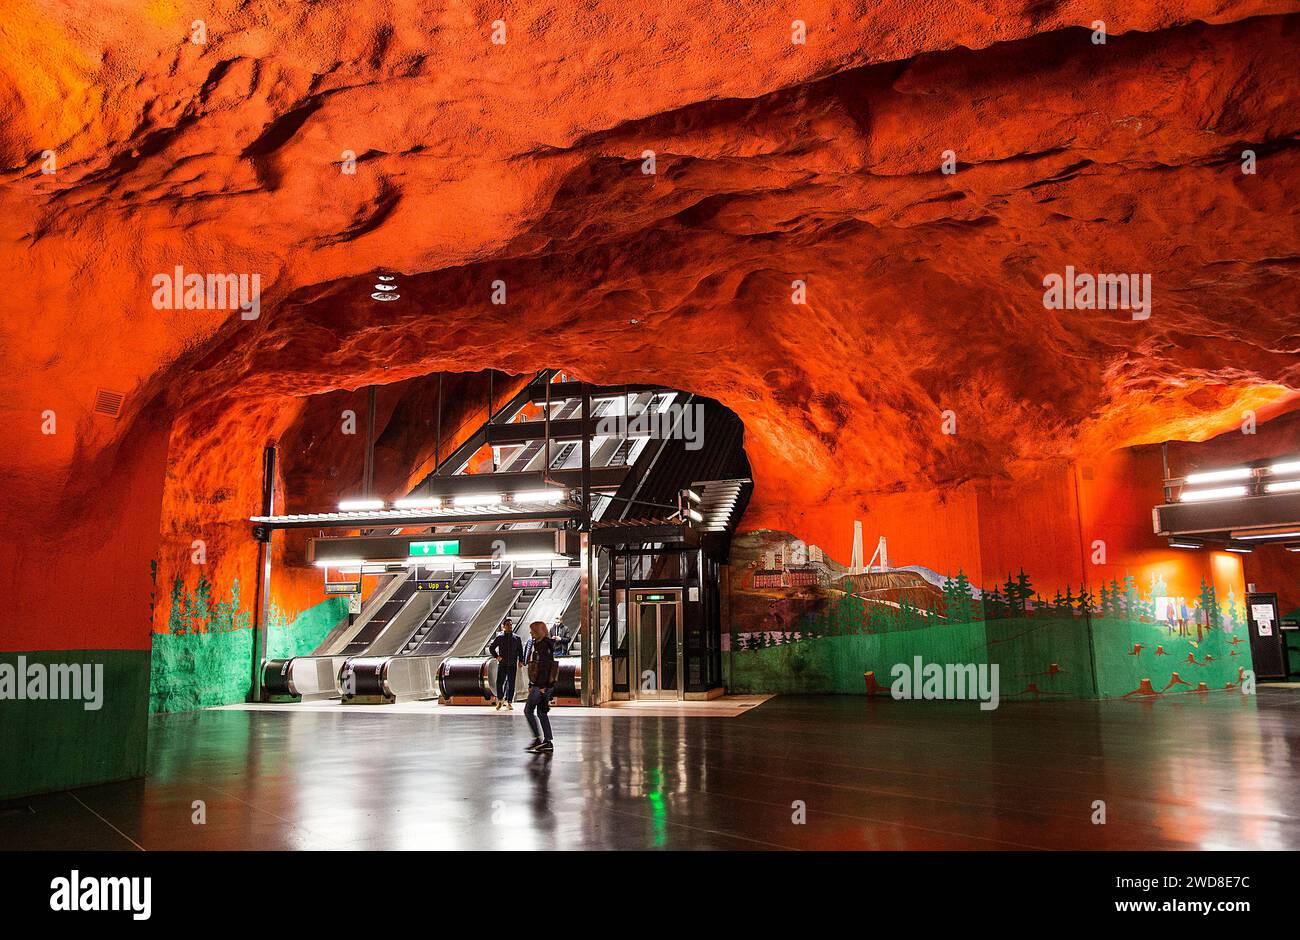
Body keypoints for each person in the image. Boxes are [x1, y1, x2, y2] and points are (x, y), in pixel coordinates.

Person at [523, 620, 557, 753]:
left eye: (532, 630)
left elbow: (543, 667)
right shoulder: (543, 644)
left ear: (538, 631)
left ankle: (539, 739)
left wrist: (540, 686)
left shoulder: (542, 645)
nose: (530, 632)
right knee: (542, 712)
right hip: (544, 684)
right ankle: (547, 742)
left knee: (528, 710)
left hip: (541, 685)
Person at [488, 619, 524, 710]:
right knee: (499, 682)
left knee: (511, 683)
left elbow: (520, 650)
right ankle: (500, 700)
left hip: (512, 664)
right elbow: (491, 648)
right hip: (503, 664)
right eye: (507, 625)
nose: (510, 626)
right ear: (503, 626)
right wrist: (497, 657)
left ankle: (509, 702)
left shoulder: (516, 638)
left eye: (511, 624)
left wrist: (521, 660)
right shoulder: (500, 637)